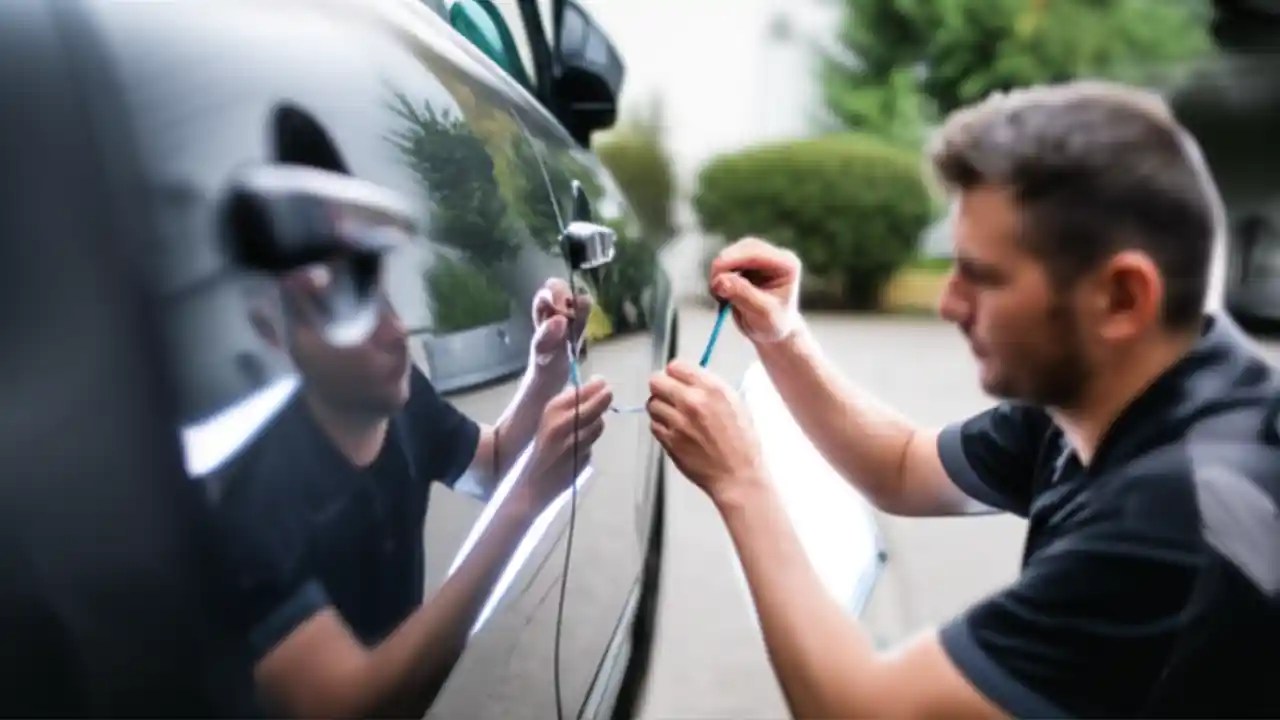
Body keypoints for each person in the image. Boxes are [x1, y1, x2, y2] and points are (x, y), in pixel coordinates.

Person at [648, 80, 1280, 718]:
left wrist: (741, 483)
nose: (949, 304)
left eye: (983, 277)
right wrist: (782, 336)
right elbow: (901, 467)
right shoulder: (1115, 391)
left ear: (1121, 298)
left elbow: (867, 711)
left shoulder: (1178, 518)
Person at [208, 274, 611, 719]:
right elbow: (349, 708)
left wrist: (545, 370)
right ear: (272, 330)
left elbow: (493, 465)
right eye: (349, 312)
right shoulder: (248, 499)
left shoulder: (395, 394)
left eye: (383, 296)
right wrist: (525, 499)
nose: (397, 331)